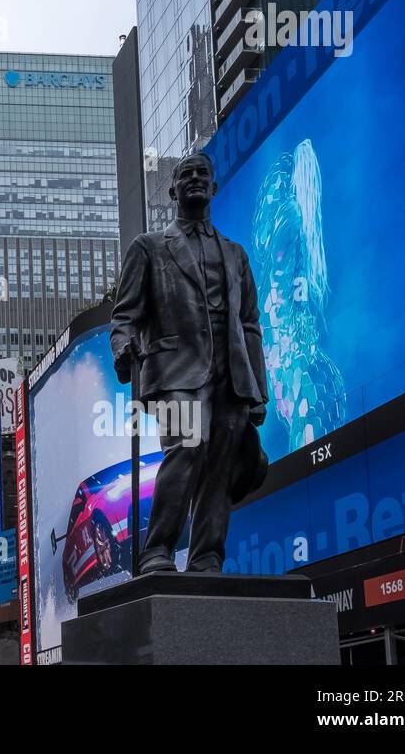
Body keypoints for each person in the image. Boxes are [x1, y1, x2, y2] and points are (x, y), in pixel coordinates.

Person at [110, 151, 269, 575]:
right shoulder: (148, 248)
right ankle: (157, 549)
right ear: (173, 190)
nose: (195, 179)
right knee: (187, 448)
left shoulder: (236, 255)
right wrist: (123, 347)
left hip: (232, 376)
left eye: (203, 174)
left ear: (213, 188)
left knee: (220, 464)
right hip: (177, 370)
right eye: (186, 175)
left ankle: (207, 556)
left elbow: (250, 324)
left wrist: (258, 391)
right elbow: (125, 314)